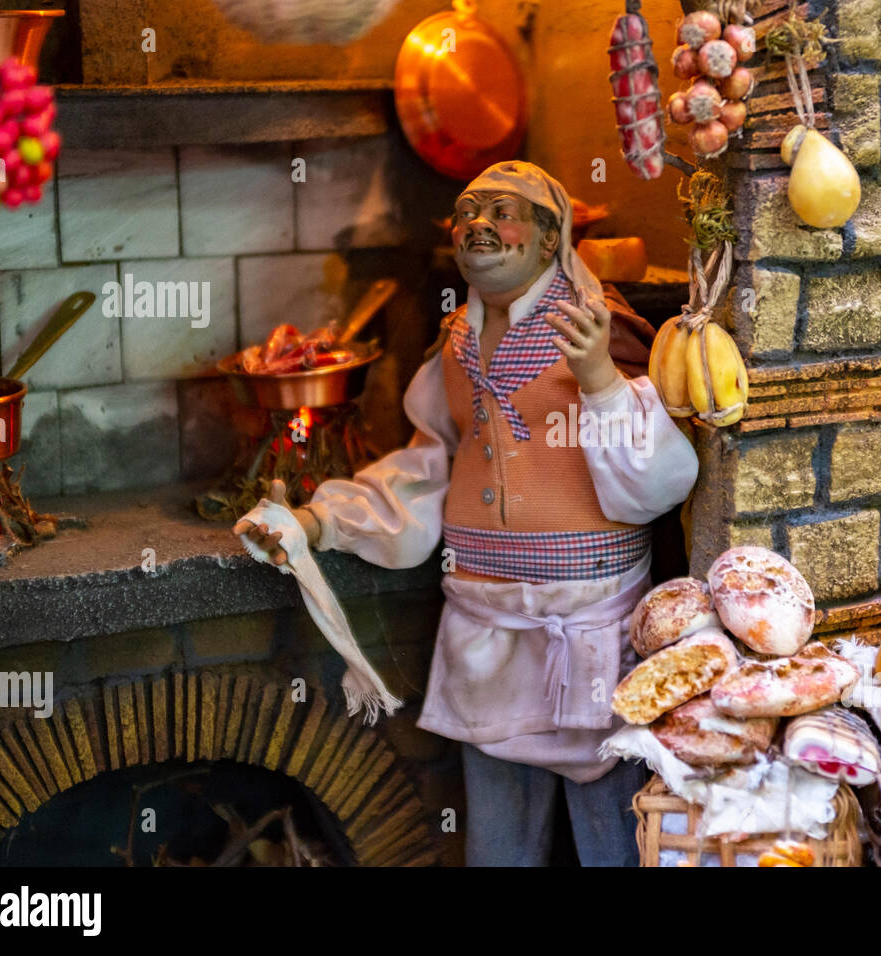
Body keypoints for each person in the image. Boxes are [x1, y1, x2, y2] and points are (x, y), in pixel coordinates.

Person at [235, 161, 699, 866]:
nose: (478, 223)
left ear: (552, 238)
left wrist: (602, 379)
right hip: (487, 636)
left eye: (503, 211)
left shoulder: (598, 327)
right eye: (467, 211)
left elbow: (660, 483)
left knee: (617, 841)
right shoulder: (453, 345)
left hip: (591, 639)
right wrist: (321, 520)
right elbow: (430, 468)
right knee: (498, 846)